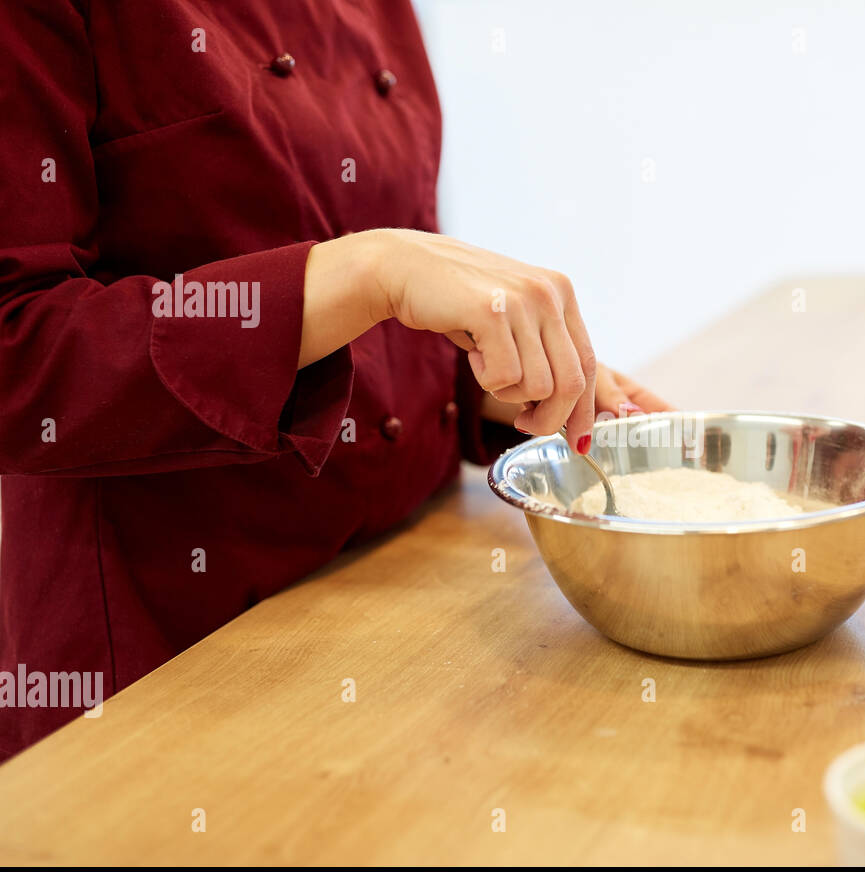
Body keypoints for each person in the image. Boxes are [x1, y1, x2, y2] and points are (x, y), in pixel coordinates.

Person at [0, 0, 669, 760]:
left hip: (410, 616)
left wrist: (496, 372)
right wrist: (371, 271)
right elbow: (17, 352)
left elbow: (366, 292)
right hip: (165, 674)